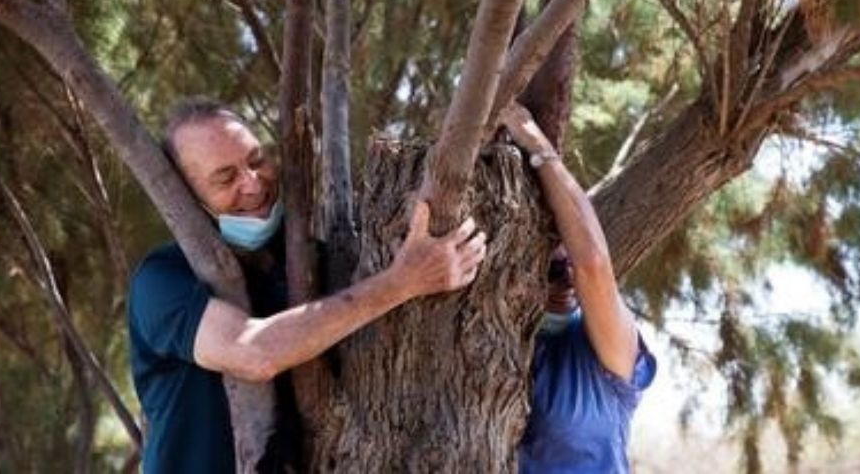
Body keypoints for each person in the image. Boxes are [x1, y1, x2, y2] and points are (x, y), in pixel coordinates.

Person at [127, 99, 487, 473]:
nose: (252, 184)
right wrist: (403, 281)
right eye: (225, 178)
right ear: (188, 200)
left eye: (256, 160)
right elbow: (253, 352)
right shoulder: (162, 279)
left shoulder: (310, 260)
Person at [503, 104, 656, 474]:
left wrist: (537, 145)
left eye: (568, 260)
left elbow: (592, 265)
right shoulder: (496, 340)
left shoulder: (604, 353)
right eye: (553, 267)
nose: (568, 276)